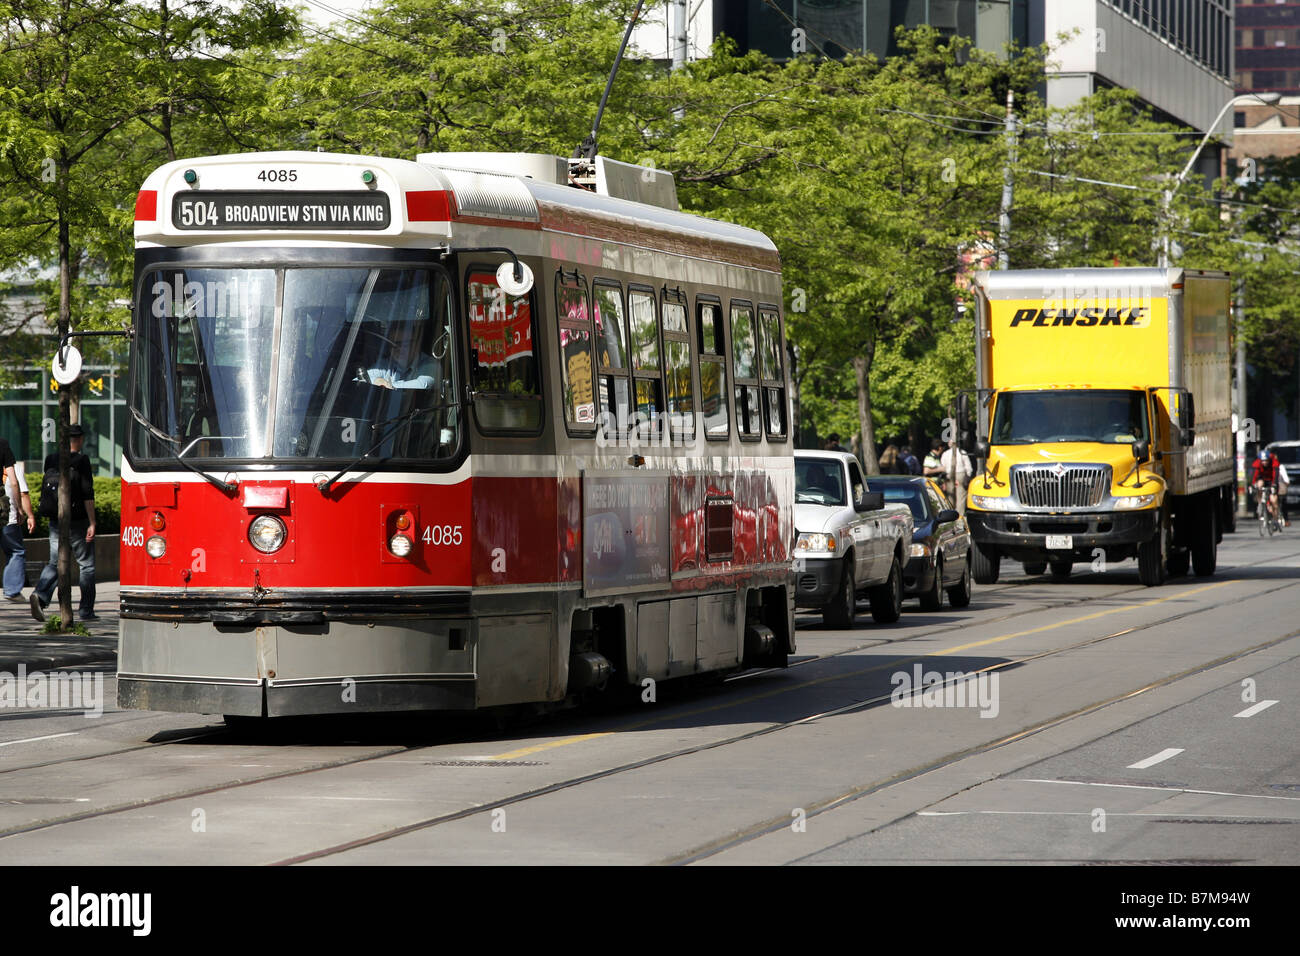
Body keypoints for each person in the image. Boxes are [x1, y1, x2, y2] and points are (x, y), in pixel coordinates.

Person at [31, 424, 96, 622]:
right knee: (87, 566)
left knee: (54, 561)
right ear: (81, 439)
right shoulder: (82, 460)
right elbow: (87, 494)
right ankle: (85, 610)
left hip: (55, 520)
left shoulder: (51, 459)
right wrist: (92, 522)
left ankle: (41, 595)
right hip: (77, 521)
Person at [1, 437, 35, 602]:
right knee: (16, 550)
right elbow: (15, 484)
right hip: (5, 516)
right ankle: (12, 590)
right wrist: (21, 509)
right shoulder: (3, 445)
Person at [940, 440, 974, 515]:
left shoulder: (945, 454)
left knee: (950, 496)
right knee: (961, 497)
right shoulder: (963, 452)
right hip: (961, 474)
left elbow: (942, 466)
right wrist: (968, 475)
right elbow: (969, 467)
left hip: (948, 475)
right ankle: (960, 516)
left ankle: (950, 514)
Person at [1251, 447, 1282, 527]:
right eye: (1263, 461)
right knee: (1259, 484)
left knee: (1273, 500)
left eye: (1266, 460)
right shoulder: (1258, 463)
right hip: (1263, 479)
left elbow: (1276, 475)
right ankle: (1260, 503)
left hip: (1272, 481)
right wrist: (1253, 484)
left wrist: (1274, 485)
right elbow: (1254, 475)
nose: (1265, 463)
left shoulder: (1274, 462)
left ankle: (1275, 519)